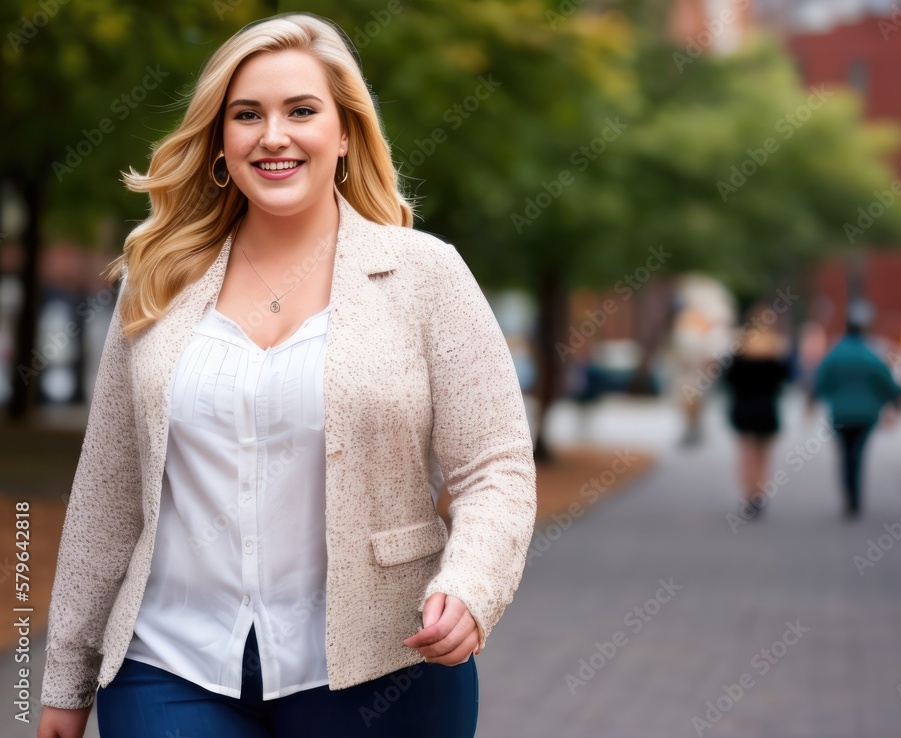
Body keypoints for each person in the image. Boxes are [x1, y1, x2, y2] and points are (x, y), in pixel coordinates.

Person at [37, 13, 536, 738]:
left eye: (301, 111)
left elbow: (495, 467)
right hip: (169, 664)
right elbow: (108, 490)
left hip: (382, 666)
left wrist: (471, 587)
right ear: (220, 140)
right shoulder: (158, 280)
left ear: (343, 134)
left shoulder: (426, 274)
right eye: (247, 115)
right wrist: (63, 679)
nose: (273, 135)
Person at [813, 300, 899, 519]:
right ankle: (856, 498)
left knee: (844, 455)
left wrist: (819, 398)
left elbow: (820, 382)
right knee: (858, 455)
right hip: (866, 415)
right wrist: (890, 404)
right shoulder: (871, 354)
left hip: (841, 414)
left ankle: (848, 496)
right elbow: (887, 383)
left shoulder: (835, 353)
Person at [722, 304, 791, 519]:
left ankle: (749, 494)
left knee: (746, 454)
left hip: (743, 408)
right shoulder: (776, 350)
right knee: (764, 455)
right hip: (767, 408)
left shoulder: (739, 350)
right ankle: (759, 494)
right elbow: (785, 378)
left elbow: (728, 380)